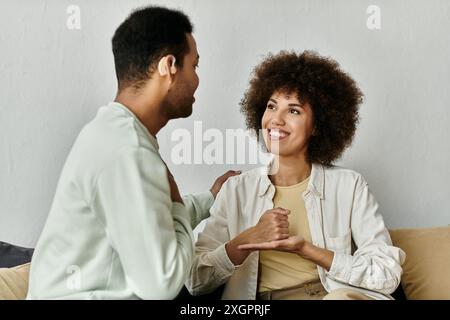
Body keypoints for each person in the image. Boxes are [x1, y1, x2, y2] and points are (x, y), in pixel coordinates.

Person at [27, 6, 238, 299]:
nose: (197, 80)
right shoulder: (129, 151)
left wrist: (210, 198)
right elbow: (161, 285)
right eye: (195, 66)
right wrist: (176, 202)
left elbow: (148, 223)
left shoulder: (113, 132)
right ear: (169, 66)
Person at [186, 51, 406, 300]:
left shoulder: (349, 185)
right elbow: (196, 281)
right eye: (271, 106)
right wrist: (246, 240)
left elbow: (386, 273)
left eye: (293, 111)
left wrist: (308, 250)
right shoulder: (236, 190)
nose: (276, 120)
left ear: (316, 126)